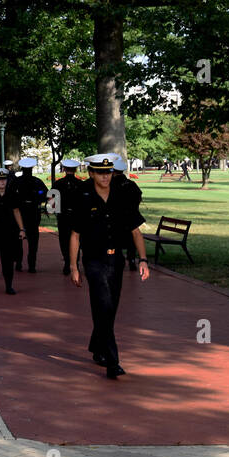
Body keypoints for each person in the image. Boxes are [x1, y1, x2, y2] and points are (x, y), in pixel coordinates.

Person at [69, 154, 149, 379]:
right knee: (103, 305)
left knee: (110, 307)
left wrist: (143, 260)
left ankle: (97, 345)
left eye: (109, 172)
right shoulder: (83, 197)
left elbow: (135, 230)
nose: (105, 176)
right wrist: (74, 267)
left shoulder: (122, 195)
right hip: (93, 261)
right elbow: (75, 235)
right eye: (100, 172)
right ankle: (112, 361)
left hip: (116, 261)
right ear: (92, 173)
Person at [8, 157, 48, 272]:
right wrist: (37, 198)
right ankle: (32, 265)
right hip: (33, 214)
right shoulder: (37, 181)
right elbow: (45, 194)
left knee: (18, 240)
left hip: (18, 214)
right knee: (33, 241)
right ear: (32, 168)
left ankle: (19, 263)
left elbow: (10, 196)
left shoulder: (15, 182)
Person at [48, 158, 83, 275]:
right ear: (75, 169)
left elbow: (50, 202)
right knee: (76, 238)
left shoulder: (58, 184)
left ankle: (67, 262)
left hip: (63, 216)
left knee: (64, 240)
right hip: (77, 216)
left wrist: (53, 211)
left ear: (64, 169)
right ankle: (76, 262)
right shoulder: (81, 184)